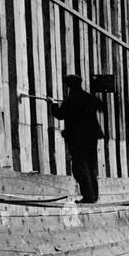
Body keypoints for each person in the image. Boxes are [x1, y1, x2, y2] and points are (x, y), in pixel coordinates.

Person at [48, 74, 105, 204]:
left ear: (68, 85)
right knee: (91, 167)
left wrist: (53, 104)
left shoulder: (70, 100)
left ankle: (88, 196)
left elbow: (60, 115)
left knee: (79, 168)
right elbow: (101, 105)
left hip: (78, 140)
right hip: (91, 138)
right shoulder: (87, 97)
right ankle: (93, 197)